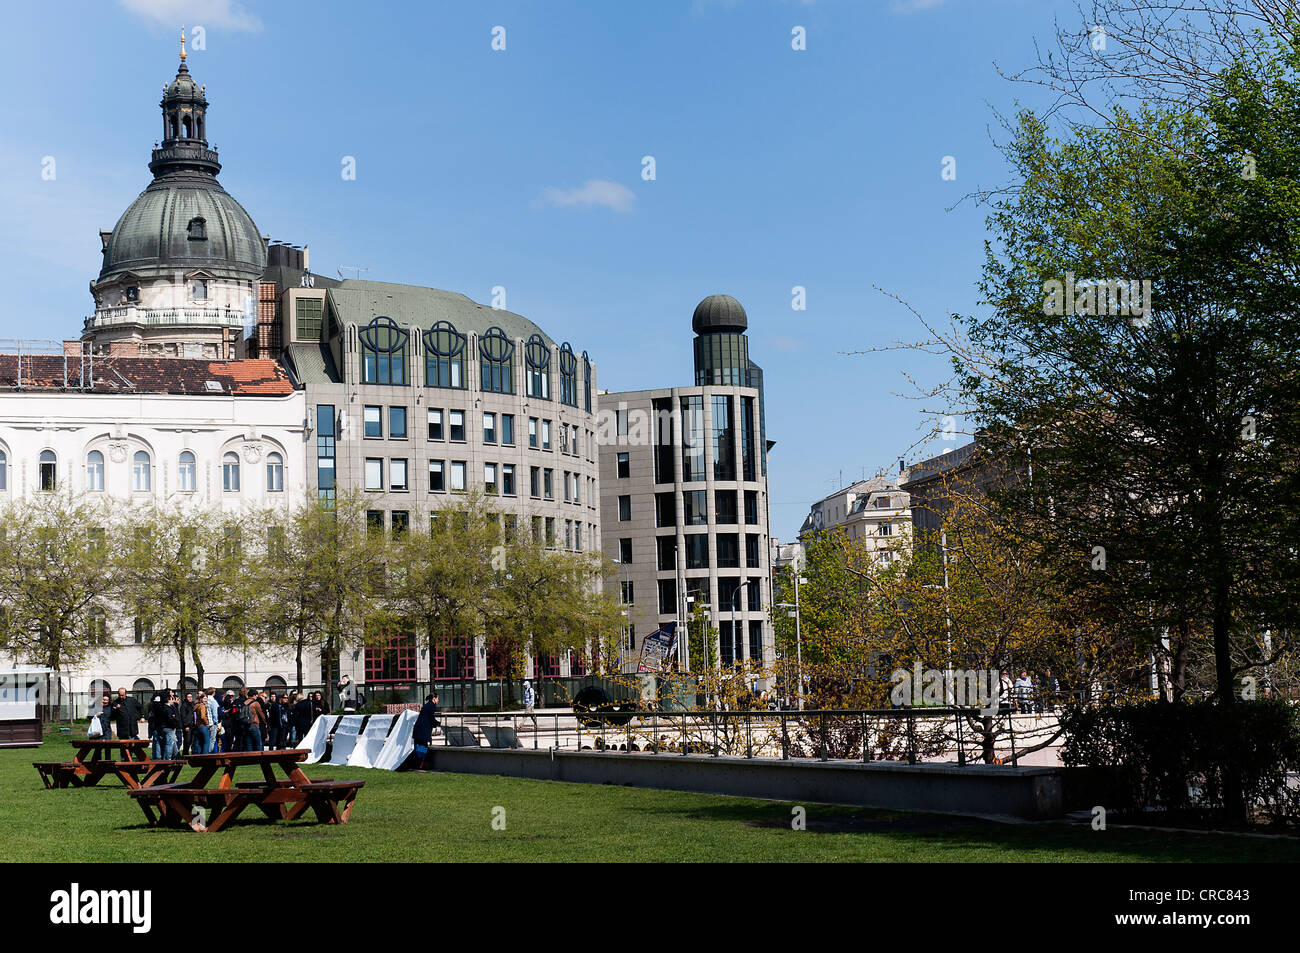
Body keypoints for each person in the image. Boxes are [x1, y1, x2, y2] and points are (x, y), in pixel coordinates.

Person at [410, 693, 440, 770]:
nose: (438, 700)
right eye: (437, 698)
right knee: (422, 747)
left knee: (419, 747)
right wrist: (438, 724)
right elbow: (431, 718)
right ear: (434, 699)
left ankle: (418, 765)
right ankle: (420, 765)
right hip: (422, 731)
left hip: (419, 730)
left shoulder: (427, 705)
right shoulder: (431, 706)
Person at [192, 690, 211, 755]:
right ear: (201, 699)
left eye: (206, 699)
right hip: (203, 726)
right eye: (204, 698)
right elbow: (203, 716)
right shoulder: (202, 706)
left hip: (198, 726)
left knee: (199, 742)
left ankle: (199, 756)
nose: (206, 700)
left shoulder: (196, 706)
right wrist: (207, 723)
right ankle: (205, 756)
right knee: (206, 742)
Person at [204, 689, 219, 753]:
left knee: (206, 740)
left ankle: (205, 752)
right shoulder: (213, 701)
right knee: (212, 740)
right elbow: (215, 713)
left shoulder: (205, 700)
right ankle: (209, 753)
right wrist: (216, 722)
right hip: (212, 722)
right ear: (213, 693)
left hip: (206, 722)